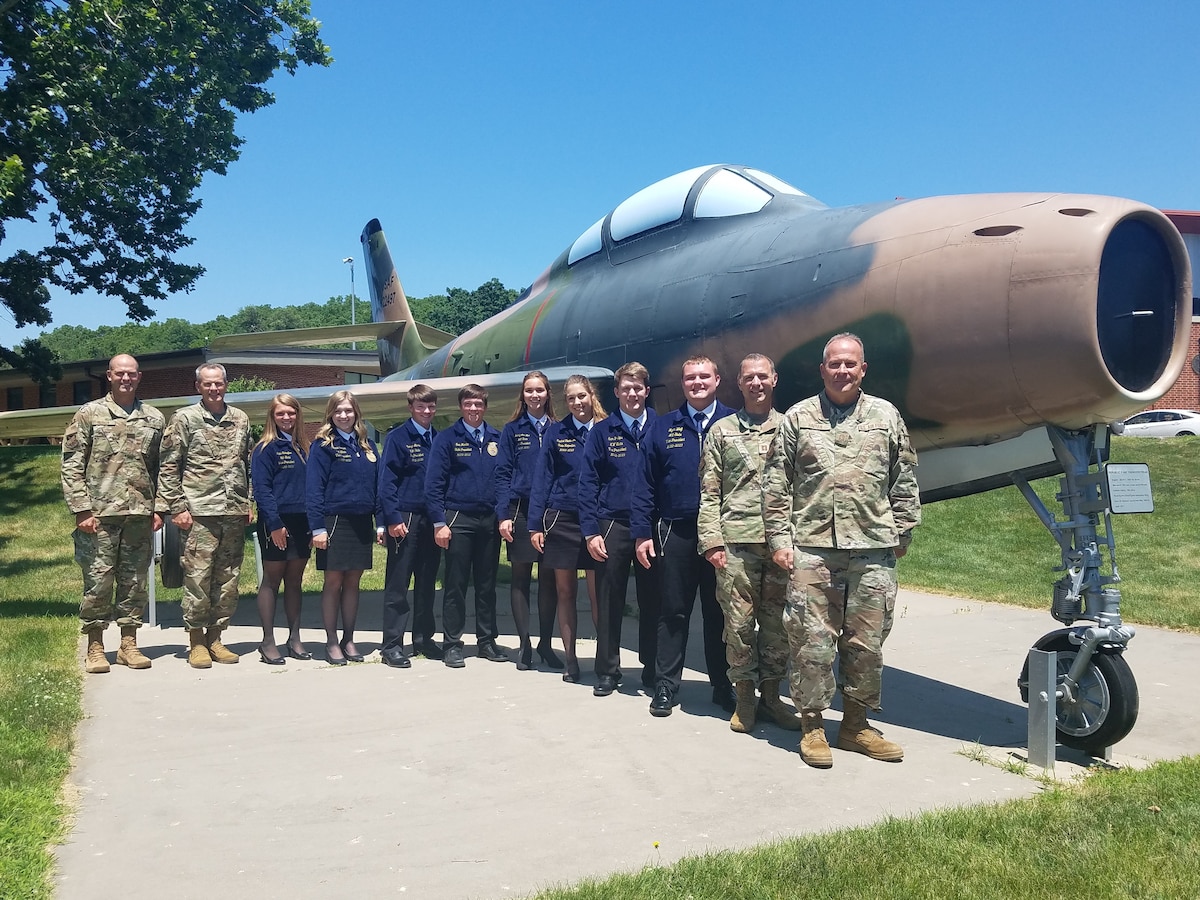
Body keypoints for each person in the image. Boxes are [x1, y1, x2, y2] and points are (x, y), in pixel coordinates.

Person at [764, 333, 921, 768]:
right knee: (811, 643)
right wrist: (780, 541)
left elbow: (904, 478)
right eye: (834, 364)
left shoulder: (886, 416)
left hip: (873, 550)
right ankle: (813, 727)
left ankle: (855, 726)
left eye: (850, 363)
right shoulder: (798, 418)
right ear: (823, 370)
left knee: (866, 644)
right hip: (812, 550)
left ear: (863, 369)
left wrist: (902, 533)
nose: (842, 371)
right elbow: (775, 484)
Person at [697, 354, 801, 733]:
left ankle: (771, 698)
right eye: (749, 378)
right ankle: (744, 699)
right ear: (739, 384)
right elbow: (709, 492)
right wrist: (712, 541)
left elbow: (805, 486)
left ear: (774, 379)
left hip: (781, 543)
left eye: (762, 376)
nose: (756, 383)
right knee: (738, 625)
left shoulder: (792, 428)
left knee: (778, 626)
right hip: (736, 545)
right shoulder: (721, 431)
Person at [633, 356, 735, 718]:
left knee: (719, 613)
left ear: (717, 380)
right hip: (675, 532)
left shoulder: (734, 423)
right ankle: (665, 685)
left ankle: (723, 685)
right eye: (690, 378)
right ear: (682, 383)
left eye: (704, 376)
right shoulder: (663, 427)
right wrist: (642, 532)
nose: (697, 383)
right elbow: (644, 484)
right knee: (672, 611)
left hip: (722, 536)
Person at [61, 353, 165, 674]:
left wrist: (160, 507)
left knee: (135, 582)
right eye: (120, 373)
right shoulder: (90, 414)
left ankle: (128, 645)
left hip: (140, 514)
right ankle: (95, 646)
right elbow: (72, 463)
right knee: (98, 581)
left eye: (131, 373)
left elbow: (162, 468)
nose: (126, 378)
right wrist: (81, 509)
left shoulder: (154, 418)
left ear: (139, 377)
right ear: (109, 375)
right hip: (100, 515)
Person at [157, 363, 253, 668]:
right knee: (198, 579)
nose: (214, 389)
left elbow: (247, 463)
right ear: (198, 386)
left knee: (228, 579)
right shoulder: (184, 419)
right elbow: (169, 466)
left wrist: (248, 501)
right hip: (199, 513)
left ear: (226, 384)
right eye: (208, 384)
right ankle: (196, 642)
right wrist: (177, 507)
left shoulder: (240, 419)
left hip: (233, 511)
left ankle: (216, 638)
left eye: (219, 383)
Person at [578, 362, 658, 697]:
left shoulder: (661, 427)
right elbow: (587, 483)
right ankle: (608, 671)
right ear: (617, 392)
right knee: (610, 600)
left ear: (647, 391)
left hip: (651, 526)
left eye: (638, 388)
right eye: (626, 388)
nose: (632, 394)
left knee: (653, 600)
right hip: (613, 523)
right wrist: (590, 531)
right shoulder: (602, 431)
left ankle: (653, 669)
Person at [528, 374, 606, 683]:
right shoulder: (556, 433)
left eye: (581, 396)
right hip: (562, 518)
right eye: (571, 398)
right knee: (565, 592)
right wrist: (535, 524)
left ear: (591, 396)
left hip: (597, 520)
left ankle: (604, 661)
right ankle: (571, 660)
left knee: (599, 594)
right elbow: (542, 479)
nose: (577, 402)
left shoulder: (607, 429)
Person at [425, 384, 507, 668]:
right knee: (456, 584)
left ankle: (487, 641)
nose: (474, 409)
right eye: (469, 404)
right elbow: (434, 483)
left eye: (478, 404)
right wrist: (439, 522)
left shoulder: (497, 438)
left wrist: (503, 515)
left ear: (485, 406)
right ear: (461, 407)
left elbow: (503, 479)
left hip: (489, 520)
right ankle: (452, 644)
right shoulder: (447, 439)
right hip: (459, 519)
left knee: (487, 585)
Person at [306, 390, 379, 666]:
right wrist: (317, 528)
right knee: (333, 582)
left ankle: (349, 639)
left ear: (356, 413)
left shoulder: (367, 446)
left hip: (361, 523)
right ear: (331, 414)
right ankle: (332, 642)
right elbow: (314, 489)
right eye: (338, 411)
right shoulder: (323, 446)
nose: (344, 415)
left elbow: (378, 487)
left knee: (353, 583)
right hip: (334, 522)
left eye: (348, 410)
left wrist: (381, 523)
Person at [495, 371, 560, 672]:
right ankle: (524, 644)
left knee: (549, 579)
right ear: (522, 395)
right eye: (529, 391)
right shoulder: (512, 430)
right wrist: (504, 515)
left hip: (551, 512)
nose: (535, 395)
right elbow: (502, 474)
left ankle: (546, 642)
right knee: (520, 576)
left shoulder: (559, 429)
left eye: (540, 390)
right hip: (520, 509)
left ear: (548, 394)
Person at [378, 384, 442, 667]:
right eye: (420, 406)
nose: (426, 411)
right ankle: (392, 645)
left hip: (431, 519)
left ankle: (423, 639)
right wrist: (392, 518)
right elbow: (387, 482)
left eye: (430, 406)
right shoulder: (398, 438)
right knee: (398, 584)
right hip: (405, 518)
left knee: (427, 583)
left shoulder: (438, 438)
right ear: (411, 407)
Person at [250, 394, 312, 665]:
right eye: (280, 413)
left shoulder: (304, 447)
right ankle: (267, 641)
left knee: (295, 581)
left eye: (291, 413)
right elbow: (262, 490)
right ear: (272, 417)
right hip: (275, 523)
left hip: (302, 523)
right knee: (272, 581)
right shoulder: (265, 449)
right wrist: (275, 524)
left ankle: (294, 638)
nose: (286, 418)